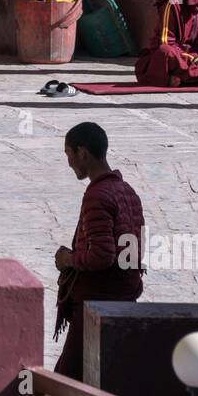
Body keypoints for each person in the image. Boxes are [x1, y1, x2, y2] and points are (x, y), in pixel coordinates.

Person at [54, 122, 145, 379]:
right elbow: (136, 251)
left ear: (82, 153)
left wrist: (68, 259)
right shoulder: (127, 192)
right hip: (124, 298)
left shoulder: (98, 196)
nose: (69, 162)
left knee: (68, 379)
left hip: (97, 302)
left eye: (68, 154)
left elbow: (102, 255)